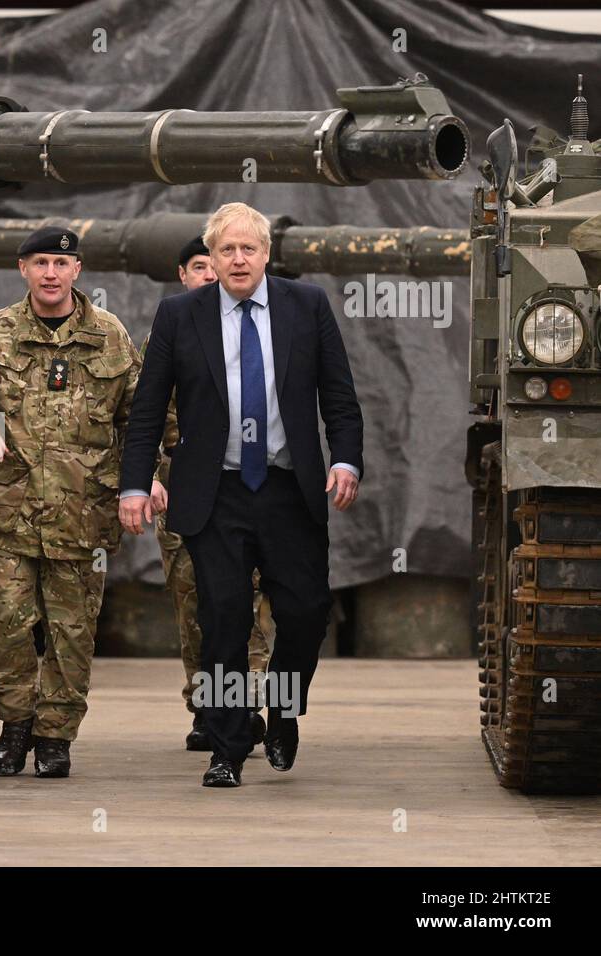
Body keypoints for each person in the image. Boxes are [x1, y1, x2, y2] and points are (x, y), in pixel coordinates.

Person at [119, 203, 363, 788]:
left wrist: (347, 460)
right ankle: (226, 745)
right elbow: (148, 407)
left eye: (247, 249)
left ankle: (283, 708)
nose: (236, 259)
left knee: (305, 614)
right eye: (224, 250)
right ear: (212, 258)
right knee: (223, 618)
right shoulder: (181, 316)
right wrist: (133, 482)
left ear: (266, 254)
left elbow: (338, 393)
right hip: (215, 492)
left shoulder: (307, 307)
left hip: (288, 489)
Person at [0, 225, 139, 778]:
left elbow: (142, 416)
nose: (51, 273)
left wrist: (147, 480)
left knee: (73, 630)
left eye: (61, 262)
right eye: (40, 262)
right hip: (10, 507)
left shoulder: (110, 337)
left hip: (83, 511)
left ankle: (56, 736)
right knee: (4, 621)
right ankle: (16, 722)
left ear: (78, 271)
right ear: (22, 269)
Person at [149, 236, 273, 753]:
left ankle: (246, 704)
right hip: (188, 496)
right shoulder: (172, 331)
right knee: (197, 608)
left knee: (255, 608)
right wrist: (151, 477)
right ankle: (207, 706)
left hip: (254, 490)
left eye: (216, 262)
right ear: (184, 274)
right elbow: (141, 414)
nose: (210, 273)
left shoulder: (263, 326)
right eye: (200, 265)